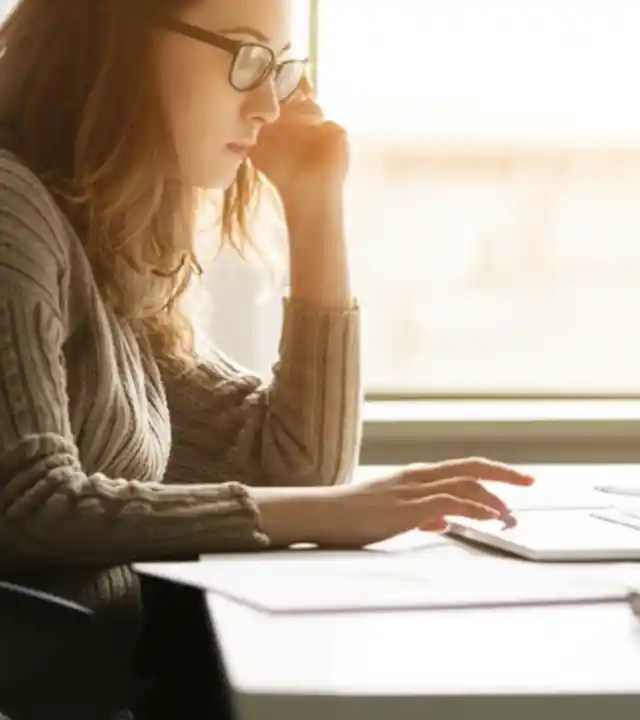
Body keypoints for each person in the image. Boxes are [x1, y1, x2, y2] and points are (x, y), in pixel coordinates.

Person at [0, 0, 533, 716]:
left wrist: (315, 201)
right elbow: (25, 504)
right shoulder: (10, 208)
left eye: (279, 70)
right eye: (245, 57)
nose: (269, 107)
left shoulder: (98, 247)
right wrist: (331, 513)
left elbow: (294, 460)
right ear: (119, 41)